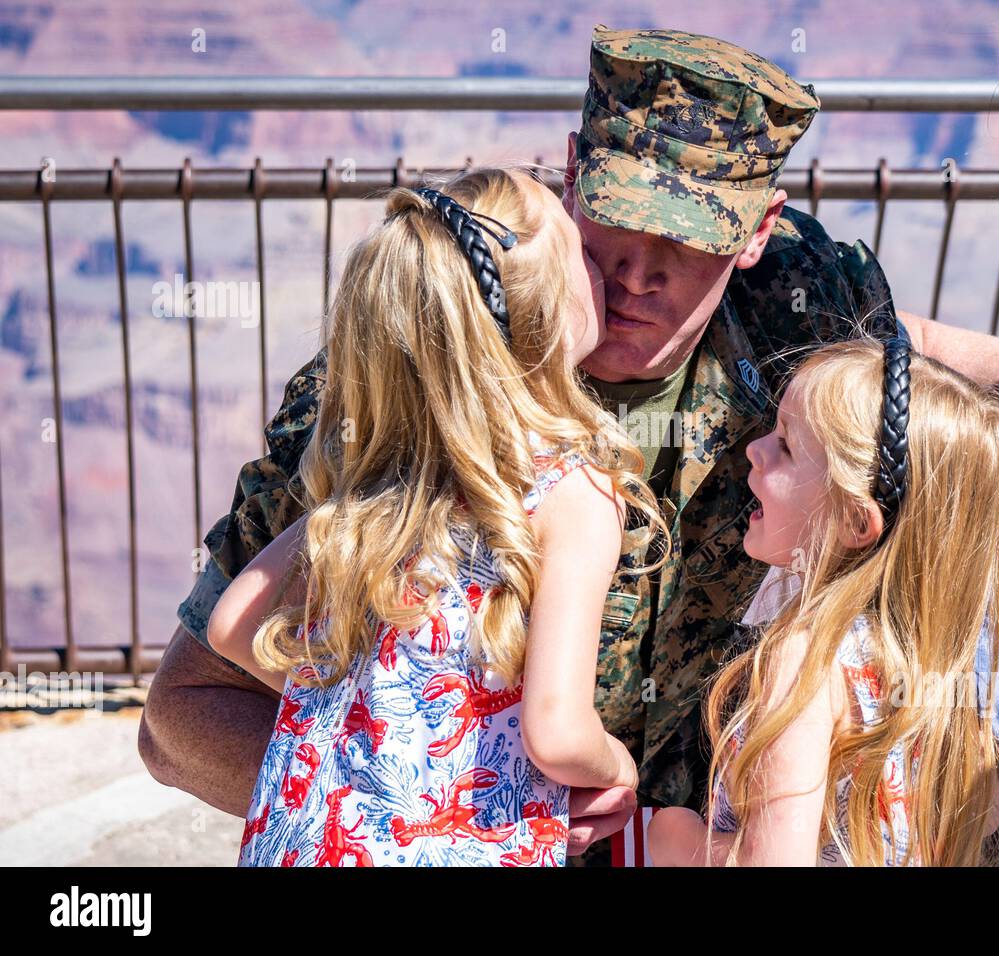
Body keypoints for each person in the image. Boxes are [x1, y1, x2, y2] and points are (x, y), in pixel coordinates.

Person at [140, 25, 999, 867]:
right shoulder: (420, 380)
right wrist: (433, 799)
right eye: (616, 217)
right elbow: (180, 719)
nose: (635, 272)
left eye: (685, 239)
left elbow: (925, 381)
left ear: (758, 232)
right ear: (573, 172)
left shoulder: (793, 303)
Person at [207, 169, 668, 866]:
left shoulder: (376, 484)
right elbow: (557, 732)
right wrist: (617, 768)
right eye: (582, 254)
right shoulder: (571, 494)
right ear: (549, 318)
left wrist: (371, 720)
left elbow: (233, 625)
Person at [648, 338, 999, 866]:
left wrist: (675, 838)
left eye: (786, 446)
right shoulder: (954, 674)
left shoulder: (806, 662)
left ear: (854, 520)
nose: (754, 450)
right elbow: (980, 820)